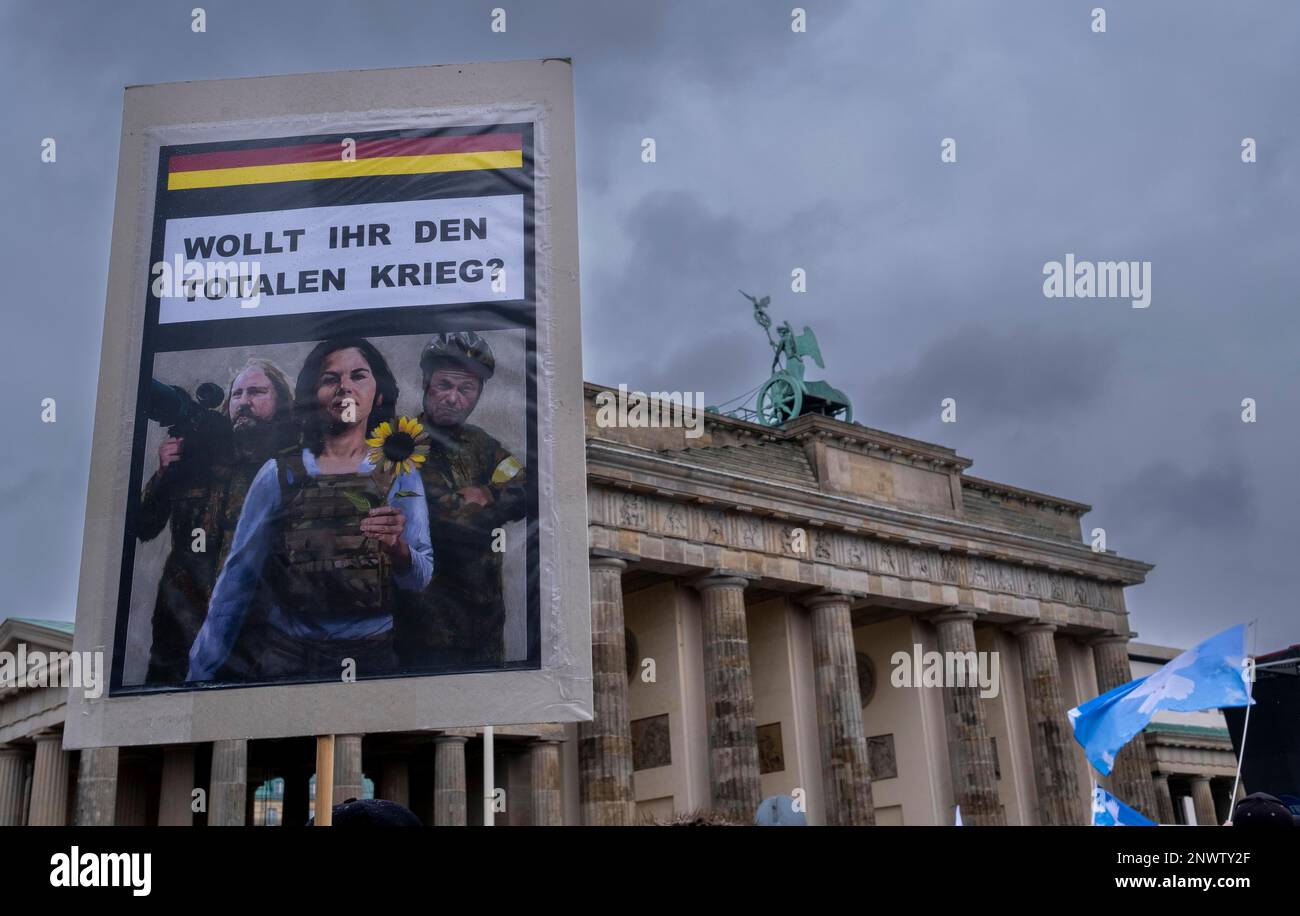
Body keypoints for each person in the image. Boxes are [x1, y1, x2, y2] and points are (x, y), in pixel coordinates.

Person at [186, 338, 432, 682]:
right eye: (330, 378)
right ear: (312, 396)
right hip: (288, 657)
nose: (344, 386)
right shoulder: (278, 473)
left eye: (358, 375)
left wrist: (398, 548)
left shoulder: (400, 471)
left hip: (374, 656)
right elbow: (235, 583)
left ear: (378, 395)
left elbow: (421, 577)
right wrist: (198, 674)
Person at [138, 359, 294, 684]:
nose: (244, 402)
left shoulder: (295, 462)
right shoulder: (197, 456)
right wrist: (165, 472)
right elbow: (143, 525)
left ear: (281, 400)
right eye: (237, 394)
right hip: (179, 632)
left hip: (258, 637)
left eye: (256, 392)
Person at [394, 331, 526, 669]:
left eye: (466, 389)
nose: (454, 398)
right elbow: (453, 520)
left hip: (484, 622)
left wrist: (489, 493)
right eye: (445, 385)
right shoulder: (400, 442)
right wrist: (481, 504)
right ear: (426, 383)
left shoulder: (481, 444)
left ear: (479, 394)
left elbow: (527, 486)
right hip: (422, 624)